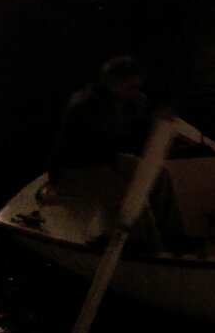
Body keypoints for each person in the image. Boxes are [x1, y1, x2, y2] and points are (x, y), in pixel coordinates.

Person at [46, 55, 194, 253]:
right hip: (77, 170)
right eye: (132, 87)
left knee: (160, 176)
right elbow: (119, 133)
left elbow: (126, 131)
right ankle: (147, 247)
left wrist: (149, 113)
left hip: (104, 161)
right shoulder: (86, 104)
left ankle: (173, 237)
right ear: (114, 81)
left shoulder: (116, 98)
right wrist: (149, 120)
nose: (137, 91)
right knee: (130, 198)